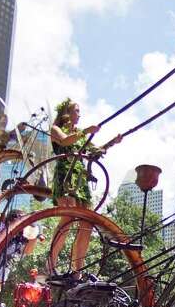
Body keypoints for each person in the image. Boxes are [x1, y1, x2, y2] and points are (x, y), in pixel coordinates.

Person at [47, 98, 121, 272]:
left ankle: (77, 270)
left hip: (80, 179)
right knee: (68, 218)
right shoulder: (56, 129)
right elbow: (65, 141)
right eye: (77, 110)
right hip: (66, 176)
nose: (79, 114)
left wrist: (112, 142)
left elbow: (95, 151)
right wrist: (86, 131)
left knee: (87, 222)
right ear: (67, 112)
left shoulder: (80, 135)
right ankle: (51, 262)